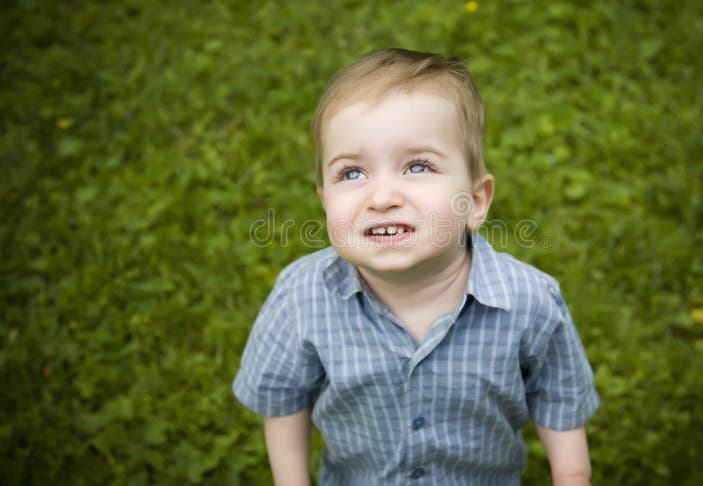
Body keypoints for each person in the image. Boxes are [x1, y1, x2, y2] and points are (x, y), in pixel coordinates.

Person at [233, 48, 600, 485]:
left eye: (418, 166)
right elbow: (283, 400)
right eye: (352, 174)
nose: (382, 196)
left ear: (475, 202)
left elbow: (559, 399)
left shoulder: (529, 301)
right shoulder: (303, 297)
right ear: (325, 199)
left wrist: (572, 475)